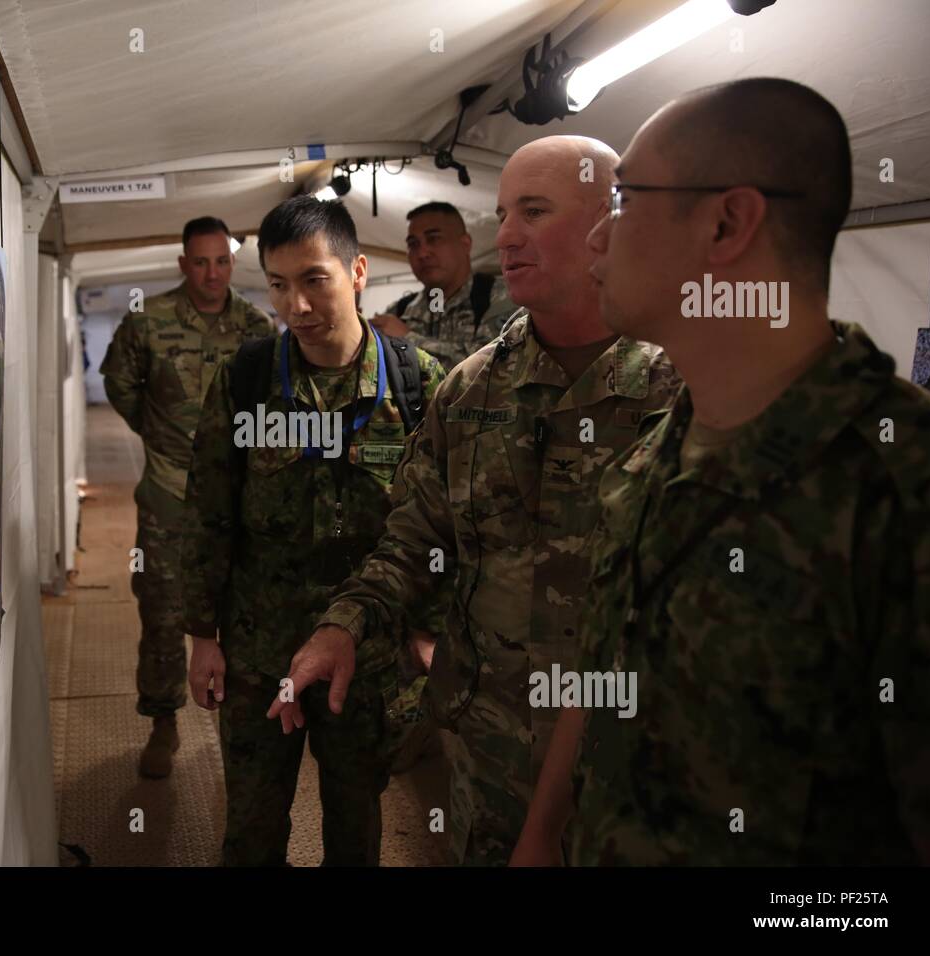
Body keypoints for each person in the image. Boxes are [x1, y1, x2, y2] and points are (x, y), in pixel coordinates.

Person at [513, 78, 930, 866]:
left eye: (625, 202)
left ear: (727, 222)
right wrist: (541, 837)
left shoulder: (902, 484)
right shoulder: (660, 446)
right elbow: (606, 661)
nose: (599, 240)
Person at [268, 136, 680, 865]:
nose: (508, 234)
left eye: (535, 210)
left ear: (608, 223)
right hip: (489, 758)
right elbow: (412, 541)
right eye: (502, 213)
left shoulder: (680, 388)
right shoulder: (470, 390)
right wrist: (343, 627)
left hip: (638, 767)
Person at [181, 196, 446, 865]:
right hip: (257, 652)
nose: (294, 305)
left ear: (357, 271)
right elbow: (207, 511)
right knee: (252, 828)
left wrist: (428, 627)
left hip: (369, 660)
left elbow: (446, 519)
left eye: (313, 280)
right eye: (277, 285)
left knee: (357, 828)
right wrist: (201, 637)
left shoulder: (416, 384)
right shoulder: (245, 380)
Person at [99, 216, 273, 778]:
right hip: (170, 497)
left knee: (244, 616)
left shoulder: (254, 324)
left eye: (222, 261)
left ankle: (242, 726)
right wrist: (160, 434)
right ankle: (162, 721)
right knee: (164, 612)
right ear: (183, 264)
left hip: (239, 500)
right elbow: (120, 385)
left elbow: (272, 402)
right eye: (201, 261)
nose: (213, 272)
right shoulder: (148, 321)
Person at [369, 201, 518, 370]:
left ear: (465, 244)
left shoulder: (503, 298)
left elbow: (492, 369)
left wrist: (407, 338)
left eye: (433, 239)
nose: (422, 253)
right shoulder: (400, 312)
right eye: (413, 244)